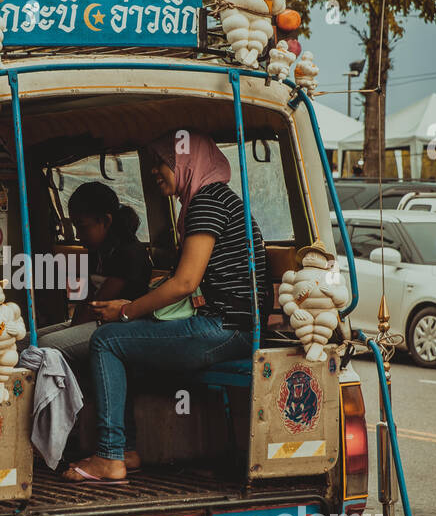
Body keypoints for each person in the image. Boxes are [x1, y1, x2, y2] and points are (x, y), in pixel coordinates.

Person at [61, 130, 270, 483]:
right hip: (233, 327)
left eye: (163, 162)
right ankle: (125, 450)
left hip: (223, 328)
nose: (154, 171)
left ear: (187, 163)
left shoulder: (206, 203)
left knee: (106, 341)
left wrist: (126, 311)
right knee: (123, 344)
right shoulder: (219, 199)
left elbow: (185, 283)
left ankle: (111, 455)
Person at [38, 182, 153, 367]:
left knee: (45, 346)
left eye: (82, 227)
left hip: (121, 326)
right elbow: (86, 299)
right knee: (28, 339)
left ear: (106, 221)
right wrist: (71, 329)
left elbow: (97, 304)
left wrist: (70, 334)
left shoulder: (129, 253)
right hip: (95, 320)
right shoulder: (97, 250)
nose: (78, 235)